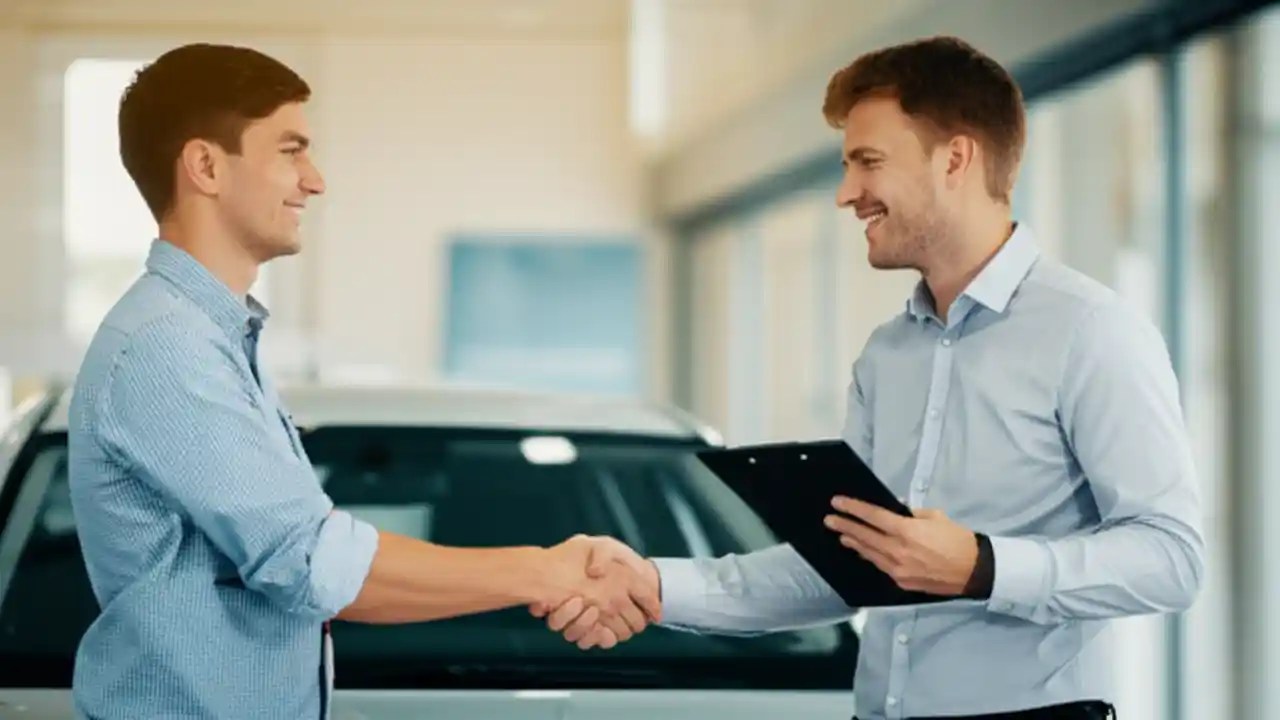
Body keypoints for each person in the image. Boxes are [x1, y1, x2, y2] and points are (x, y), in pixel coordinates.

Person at [536, 35, 1204, 720]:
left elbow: (1172, 557)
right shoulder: (888, 356)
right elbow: (842, 568)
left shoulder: (1090, 330)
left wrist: (982, 565)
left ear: (956, 159)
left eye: (868, 162)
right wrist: (651, 582)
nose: (846, 193)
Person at [66, 43, 659, 720]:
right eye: (291, 150)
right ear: (205, 166)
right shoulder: (165, 347)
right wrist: (548, 570)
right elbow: (313, 563)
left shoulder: (216, 336)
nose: (314, 180)